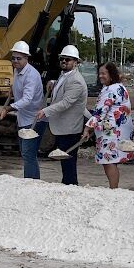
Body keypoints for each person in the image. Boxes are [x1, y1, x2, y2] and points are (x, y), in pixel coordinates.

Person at [35, 44, 88, 185]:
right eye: (62, 59)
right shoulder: (65, 75)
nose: (64, 62)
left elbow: (65, 103)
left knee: (68, 162)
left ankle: (71, 186)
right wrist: (53, 82)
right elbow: (62, 85)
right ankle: (68, 185)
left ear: (76, 62)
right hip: (63, 127)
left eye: (68, 60)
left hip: (70, 128)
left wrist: (45, 111)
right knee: (65, 162)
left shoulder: (76, 80)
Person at [85, 62, 134, 189]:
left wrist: (87, 128)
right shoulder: (120, 87)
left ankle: (113, 189)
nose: (100, 76)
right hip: (119, 129)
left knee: (109, 161)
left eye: (103, 73)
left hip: (111, 132)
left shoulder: (110, 90)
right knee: (111, 161)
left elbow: (100, 112)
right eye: (99, 73)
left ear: (111, 75)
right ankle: (114, 188)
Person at [0, 40, 43, 179]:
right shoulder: (17, 71)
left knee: (28, 154)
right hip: (23, 118)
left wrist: (8, 108)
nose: (15, 61)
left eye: (19, 58)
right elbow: (20, 88)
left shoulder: (32, 75)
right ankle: (30, 180)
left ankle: (31, 183)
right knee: (25, 153)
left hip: (34, 119)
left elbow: (27, 99)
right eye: (14, 58)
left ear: (26, 58)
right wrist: (13, 90)